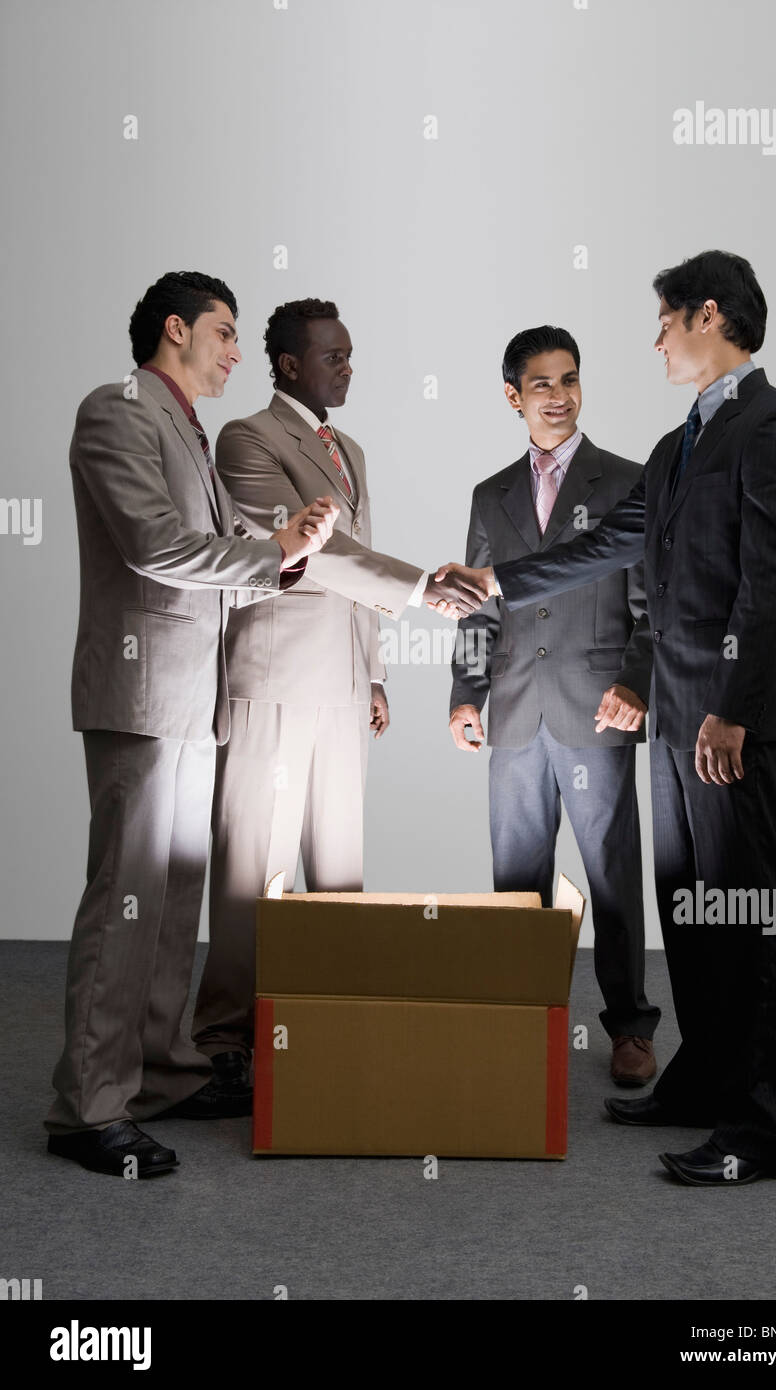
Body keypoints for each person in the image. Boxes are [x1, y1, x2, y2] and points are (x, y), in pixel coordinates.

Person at [441, 251, 776, 1186]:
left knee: (751, 910)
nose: (653, 339)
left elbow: (773, 587)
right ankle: (703, 1080)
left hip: (731, 718)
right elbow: (608, 542)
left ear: (705, 315)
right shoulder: (676, 444)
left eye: (663, 321)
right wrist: (497, 579)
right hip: (674, 722)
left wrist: (731, 711)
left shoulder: (774, 427)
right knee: (690, 907)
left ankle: (768, 1127)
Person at [45, 272, 338, 1176]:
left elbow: (204, 548)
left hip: (187, 700)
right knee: (125, 902)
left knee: (171, 903)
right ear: (175, 329)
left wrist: (281, 544)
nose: (236, 352)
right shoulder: (118, 410)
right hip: (140, 698)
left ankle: (163, 1069)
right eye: (223, 333)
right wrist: (273, 551)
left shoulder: (185, 427)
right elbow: (153, 546)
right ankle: (87, 1109)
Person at [192, 298, 484, 1093]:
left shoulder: (346, 446)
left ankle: (321, 1024)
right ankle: (222, 1042)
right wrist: (422, 587)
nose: (347, 368)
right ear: (288, 364)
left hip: (343, 686)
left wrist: (376, 674)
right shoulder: (246, 437)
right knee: (254, 873)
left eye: (350, 355)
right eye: (332, 357)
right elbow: (307, 555)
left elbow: (356, 565)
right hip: (274, 683)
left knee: (339, 871)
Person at [448, 325, 659, 1085]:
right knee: (516, 880)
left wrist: (633, 684)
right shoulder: (488, 495)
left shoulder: (630, 482)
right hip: (511, 712)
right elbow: (475, 609)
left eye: (569, 380)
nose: (559, 396)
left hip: (595, 706)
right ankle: (520, 1018)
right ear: (513, 396)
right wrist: (464, 695)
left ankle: (630, 1026)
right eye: (541, 384)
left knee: (611, 876)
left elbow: (649, 606)